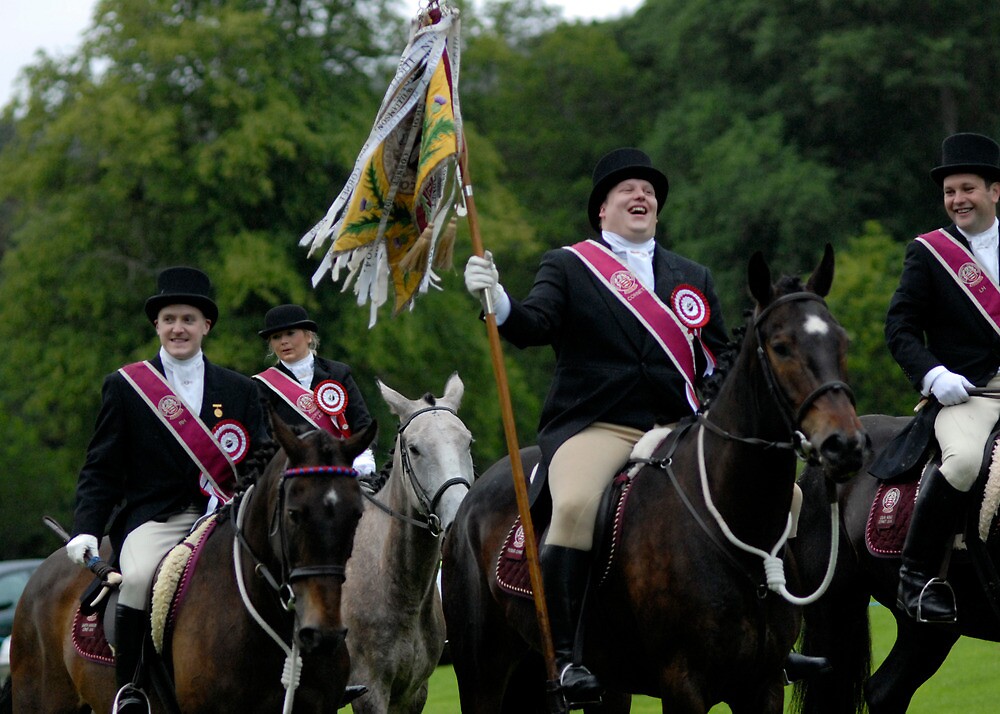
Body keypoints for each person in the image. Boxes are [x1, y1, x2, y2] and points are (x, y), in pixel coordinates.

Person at [465, 147, 732, 704]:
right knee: (577, 504)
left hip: (679, 426)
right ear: (602, 210)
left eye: (649, 191)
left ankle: (767, 642)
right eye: (626, 190)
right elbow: (533, 325)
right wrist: (499, 301)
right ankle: (566, 657)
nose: (641, 197)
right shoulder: (569, 265)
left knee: (789, 498)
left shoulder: (691, 276)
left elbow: (720, 358)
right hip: (598, 425)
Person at [65, 266, 268, 713]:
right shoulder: (125, 387)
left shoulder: (241, 390)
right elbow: (101, 467)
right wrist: (86, 528)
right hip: (158, 517)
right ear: (157, 325)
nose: (179, 328)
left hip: (227, 516)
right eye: (170, 319)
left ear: (206, 326)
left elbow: (263, 459)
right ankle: (132, 688)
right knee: (136, 580)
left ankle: (312, 675)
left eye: (189, 319)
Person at [883, 132, 1000, 623]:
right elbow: (900, 327)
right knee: (963, 463)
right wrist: (933, 375)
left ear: (995, 192)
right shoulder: (929, 253)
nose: (958, 200)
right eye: (950, 192)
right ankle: (916, 577)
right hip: (970, 393)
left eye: (968, 189)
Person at [253, 304, 376, 479]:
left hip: (342, 468)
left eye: (290, 333)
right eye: (276, 337)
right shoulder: (263, 385)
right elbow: (262, 437)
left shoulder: (338, 373)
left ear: (308, 335)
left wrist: (362, 454)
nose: (283, 341)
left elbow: (361, 422)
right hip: (294, 473)